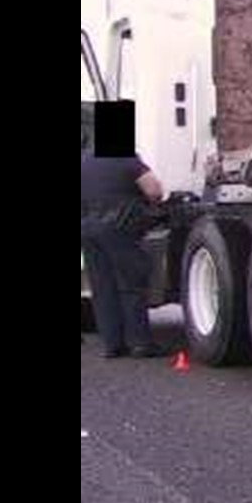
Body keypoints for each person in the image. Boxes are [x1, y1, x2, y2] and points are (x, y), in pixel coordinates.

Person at [81, 149, 165, 357]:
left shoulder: (84, 160)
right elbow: (154, 190)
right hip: (119, 227)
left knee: (102, 287)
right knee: (131, 283)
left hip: (88, 228)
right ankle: (140, 343)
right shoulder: (126, 157)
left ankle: (112, 344)